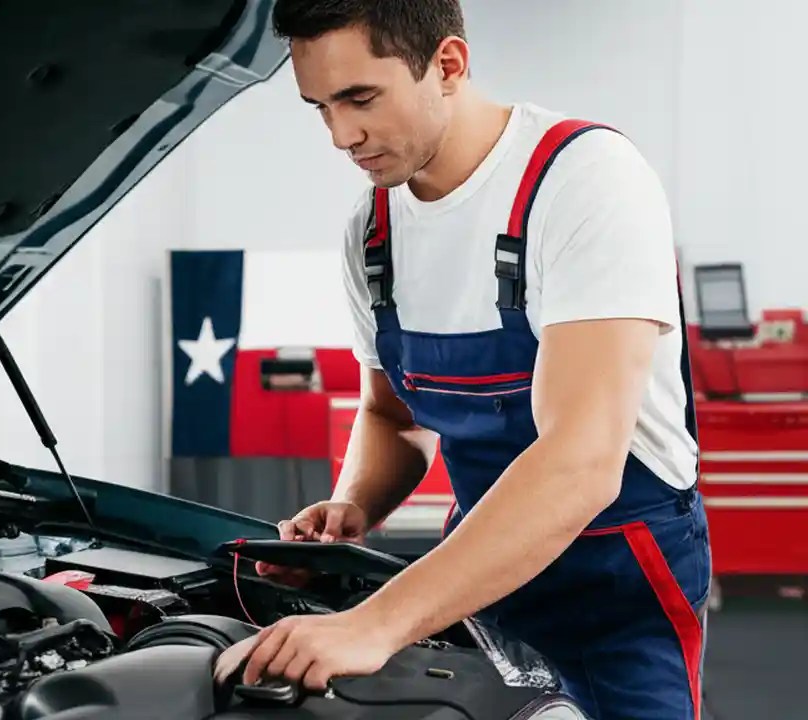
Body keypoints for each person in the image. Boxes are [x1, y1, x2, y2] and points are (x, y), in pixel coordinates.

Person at [215, 2, 711, 718]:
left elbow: (580, 462)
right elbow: (391, 415)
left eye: (360, 98)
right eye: (320, 107)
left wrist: (375, 623)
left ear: (447, 64)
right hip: (480, 573)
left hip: (619, 584)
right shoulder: (373, 232)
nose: (341, 135)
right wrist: (355, 503)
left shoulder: (586, 182)